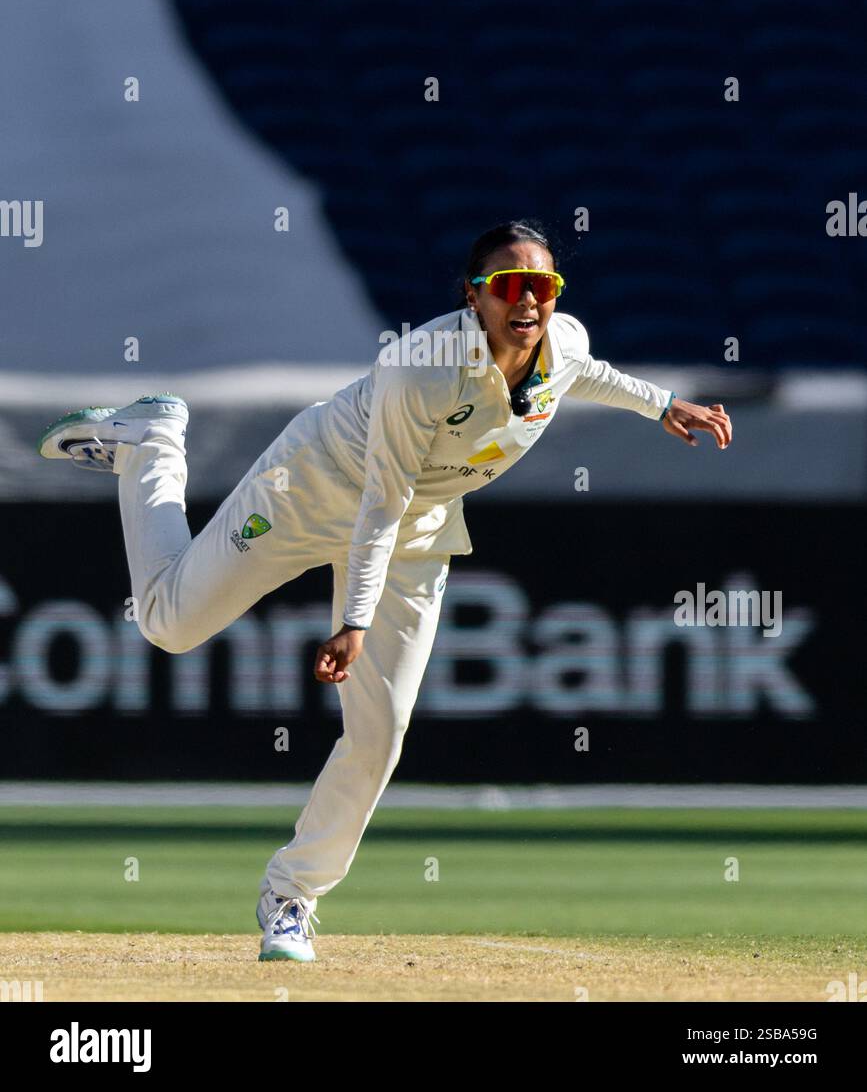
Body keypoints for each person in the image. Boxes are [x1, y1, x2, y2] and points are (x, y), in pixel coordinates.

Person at [37, 219, 732, 962]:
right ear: (472, 296)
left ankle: (289, 898)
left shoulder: (561, 340)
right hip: (312, 488)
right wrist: (354, 621)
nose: (527, 302)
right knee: (169, 624)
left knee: (381, 730)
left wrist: (662, 404)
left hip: (418, 530)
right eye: (508, 286)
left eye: (543, 285)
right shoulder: (422, 366)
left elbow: (586, 371)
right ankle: (153, 443)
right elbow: (379, 501)